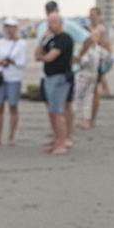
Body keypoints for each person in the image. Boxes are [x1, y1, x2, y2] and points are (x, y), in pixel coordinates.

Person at [35, 11, 75, 155]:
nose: (50, 25)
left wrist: (43, 56)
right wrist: (42, 40)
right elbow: (37, 56)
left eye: (52, 22)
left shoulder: (64, 39)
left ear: (60, 23)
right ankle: (57, 140)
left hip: (60, 77)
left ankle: (62, 142)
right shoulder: (50, 39)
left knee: (58, 111)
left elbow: (50, 57)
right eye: (48, 22)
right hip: (49, 77)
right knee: (52, 111)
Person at [0, 17, 26, 146]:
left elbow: (22, 63)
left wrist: (12, 61)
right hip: (1, 77)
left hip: (14, 78)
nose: (9, 30)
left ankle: (11, 137)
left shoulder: (21, 43)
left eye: (12, 27)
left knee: (13, 106)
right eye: (7, 27)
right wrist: (0, 62)